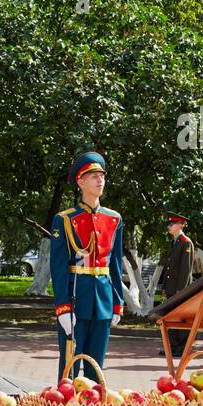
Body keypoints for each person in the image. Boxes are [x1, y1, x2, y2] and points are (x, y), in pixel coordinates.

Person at [50, 151, 124, 377]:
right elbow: (59, 267)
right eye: (93, 176)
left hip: (102, 301)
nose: (100, 179)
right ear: (80, 182)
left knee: (96, 370)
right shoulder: (65, 219)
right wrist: (63, 307)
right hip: (76, 299)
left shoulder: (114, 219)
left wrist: (117, 302)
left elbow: (116, 265)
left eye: (102, 175)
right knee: (69, 371)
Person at [159, 213, 194, 359]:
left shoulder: (186, 243)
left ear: (180, 225)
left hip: (180, 288)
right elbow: (169, 268)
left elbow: (185, 269)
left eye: (172, 224)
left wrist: (181, 290)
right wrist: (165, 287)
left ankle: (181, 347)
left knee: (181, 319)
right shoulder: (174, 242)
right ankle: (172, 346)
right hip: (172, 288)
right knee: (172, 318)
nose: (169, 226)